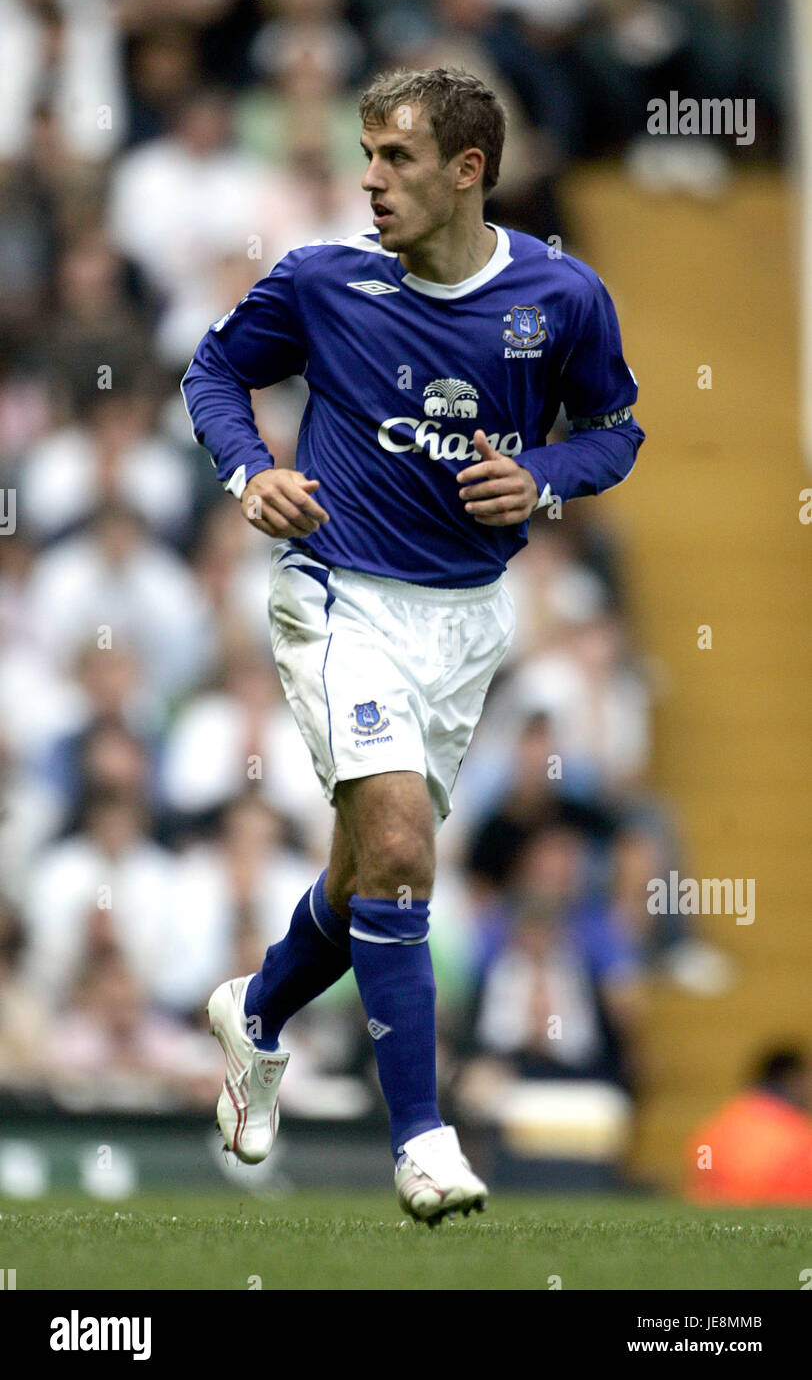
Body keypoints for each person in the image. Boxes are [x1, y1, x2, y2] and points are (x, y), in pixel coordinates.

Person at [182, 65, 644, 1224]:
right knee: (397, 846)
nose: (369, 178)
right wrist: (251, 471)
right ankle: (421, 1139)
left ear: (466, 171)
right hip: (336, 594)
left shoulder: (560, 297)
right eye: (366, 152)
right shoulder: (323, 282)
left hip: (467, 621)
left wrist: (539, 475)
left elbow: (616, 429)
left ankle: (256, 1013)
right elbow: (215, 370)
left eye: (395, 158)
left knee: (367, 870)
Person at [685, 1046, 812, 1205]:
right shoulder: (799, 1137)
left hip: (716, 1208)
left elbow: (701, 1182)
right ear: (793, 1080)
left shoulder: (715, 1128)